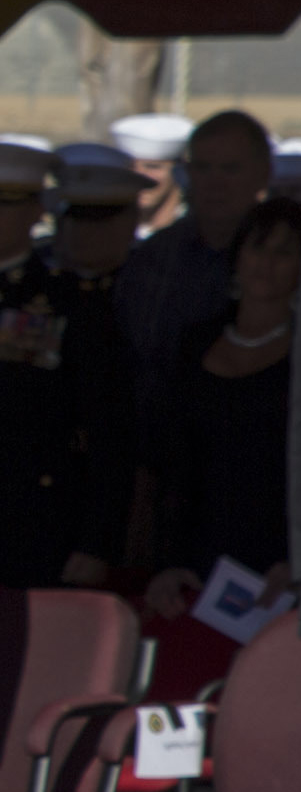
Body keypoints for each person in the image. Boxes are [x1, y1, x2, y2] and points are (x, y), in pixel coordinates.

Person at [0, 145, 143, 589]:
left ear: (36, 212)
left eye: (3, 206)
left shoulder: (70, 304)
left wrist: (98, 540)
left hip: (36, 524)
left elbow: (107, 427)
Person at [145, 197, 300, 619]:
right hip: (198, 560)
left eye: (284, 252)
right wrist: (167, 561)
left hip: (281, 566)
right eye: (257, 248)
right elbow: (175, 461)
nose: (266, 263)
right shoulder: (196, 342)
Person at [118, 111, 273, 444]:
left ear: (264, 175)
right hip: (163, 443)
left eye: (230, 169)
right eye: (203, 168)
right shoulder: (154, 258)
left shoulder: (285, 260)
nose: (215, 182)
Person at [112, 112, 194, 237]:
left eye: (152, 167)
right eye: (130, 167)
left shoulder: (196, 232)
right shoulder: (110, 235)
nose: (139, 176)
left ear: (180, 171)